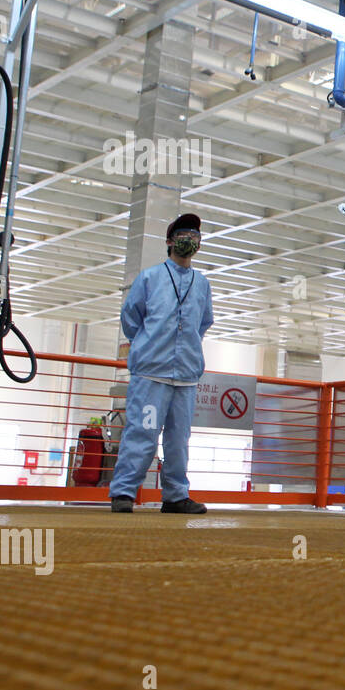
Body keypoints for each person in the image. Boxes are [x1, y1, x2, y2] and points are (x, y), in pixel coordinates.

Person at [108, 214, 214, 514]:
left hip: (186, 375)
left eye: (195, 236)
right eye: (184, 234)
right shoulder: (150, 278)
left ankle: (176, 496)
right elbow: (131, 317)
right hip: (152, 373)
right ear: (169, 241)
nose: (190, 240)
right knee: (143, 431)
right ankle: (124, 492)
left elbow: (203, 322)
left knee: (178, 439)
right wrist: (150, 343)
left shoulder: (202, 284)